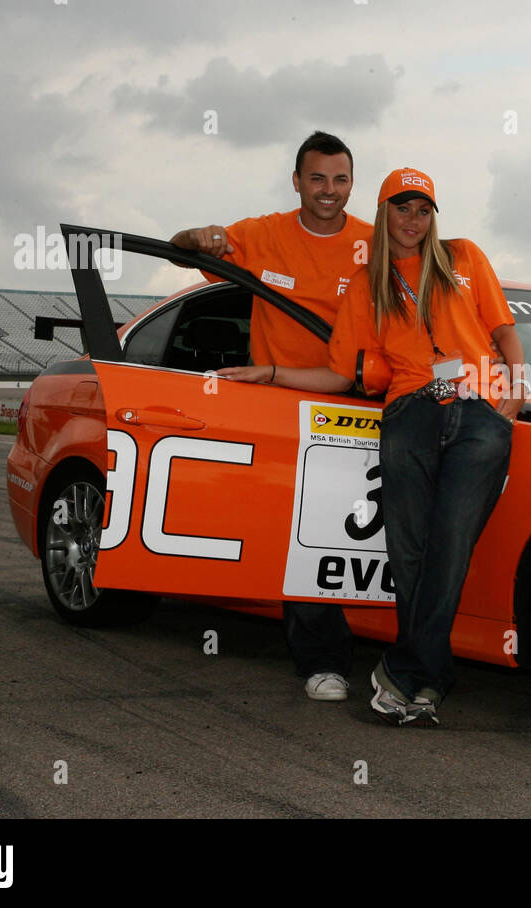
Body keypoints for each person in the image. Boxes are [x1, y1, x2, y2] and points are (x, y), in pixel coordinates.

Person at [219, 167, 527, 726]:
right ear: (383, 213)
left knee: (450, 546)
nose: (413, 220)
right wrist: (267, 372)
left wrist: (520, 383)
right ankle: (423, 682)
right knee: (408, 551)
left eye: (423, 209)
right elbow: (339, 377)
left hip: (480, 413)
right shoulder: (368, 284)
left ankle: (407, 672)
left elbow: (503, 330)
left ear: (435, 216)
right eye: (402, 208)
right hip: (410, 412)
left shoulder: (464, 258)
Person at [169, 131, 370, 703]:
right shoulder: (263, 234)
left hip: (353, 408)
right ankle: (323, 660)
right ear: (296, 181)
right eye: (317, 178)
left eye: (340, 179)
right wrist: (197, 234)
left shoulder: (373, 244)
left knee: (343, 533)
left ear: (351, 183)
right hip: (275, 413)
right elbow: (183, 246)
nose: (329, 191)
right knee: (307, 536)